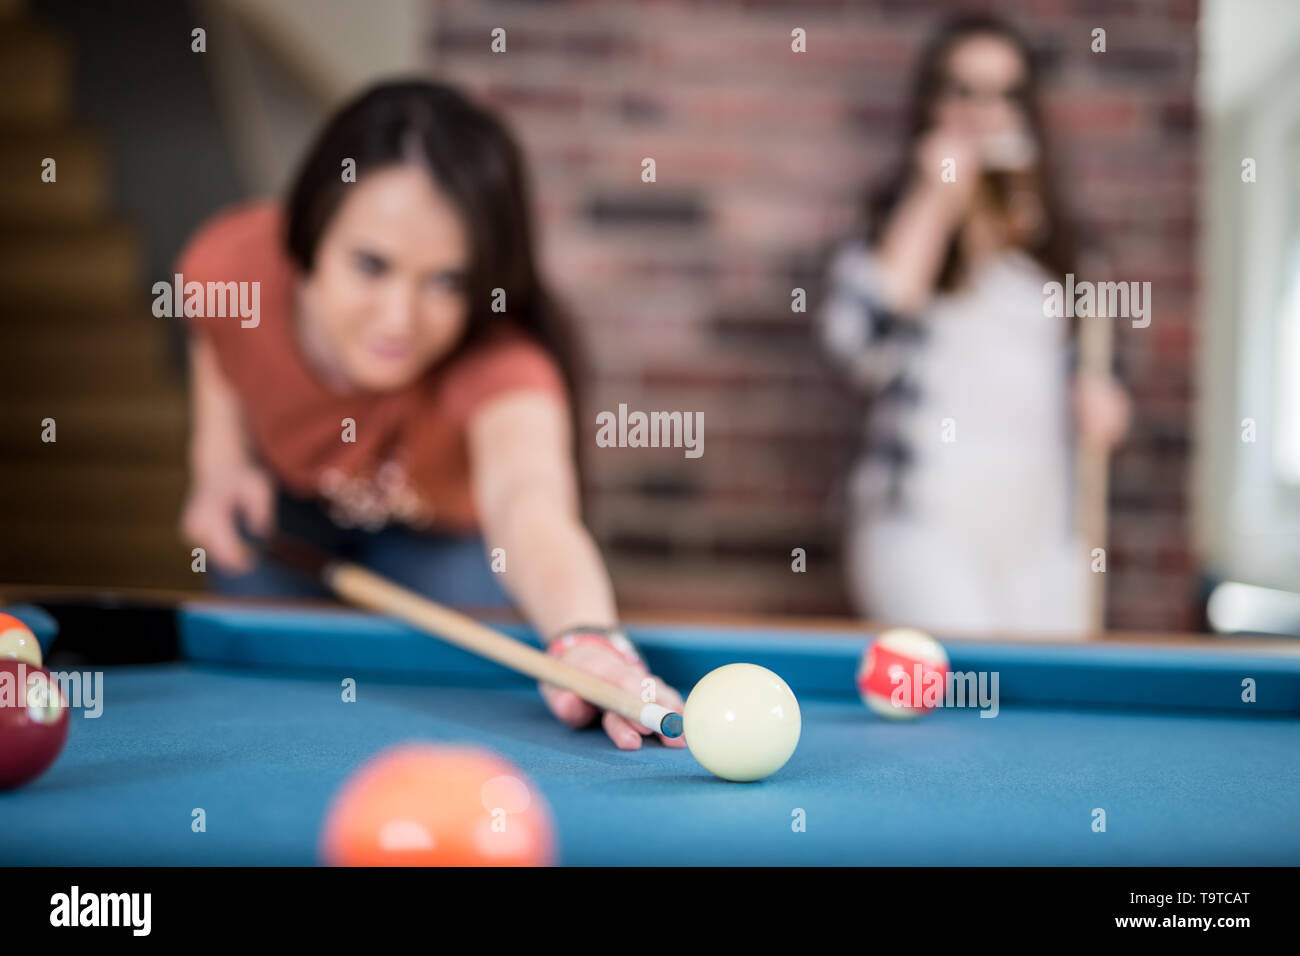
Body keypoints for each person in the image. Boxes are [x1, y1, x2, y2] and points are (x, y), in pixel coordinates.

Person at [178, 79, 685, 749]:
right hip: (289, 522)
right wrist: (218, 464)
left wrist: (585, 636)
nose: (398, 320)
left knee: (464, 680)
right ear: (307, 242)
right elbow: (215, 339)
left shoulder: (504, 362)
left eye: (446, 281)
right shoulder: (232, 266)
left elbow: (528, 504)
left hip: (443, 544)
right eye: (370, 265)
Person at [819, 16, 1131, 637]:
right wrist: (937, 200)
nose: (984, 113)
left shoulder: (1071, 257)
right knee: (965, 684)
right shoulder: (889, 236)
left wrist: (1105, 402)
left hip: (1041, 538)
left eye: (1003, 95)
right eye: (963, 91)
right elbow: (862, 349)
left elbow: (1105, 385)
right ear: (933, 104)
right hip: (923, 525)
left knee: (1042, 703)